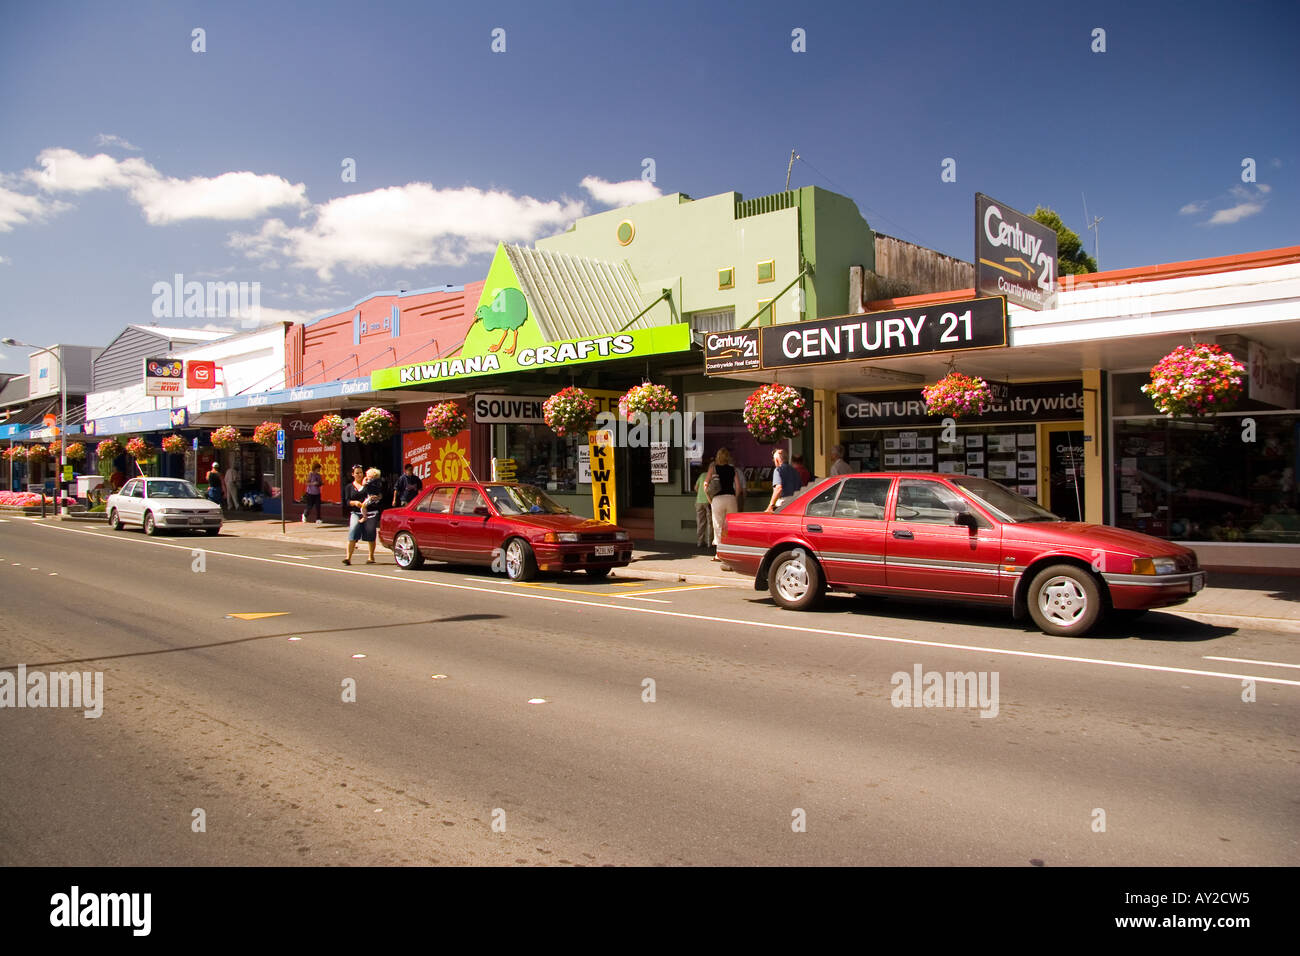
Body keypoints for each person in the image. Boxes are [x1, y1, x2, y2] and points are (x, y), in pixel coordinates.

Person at [706, 447, 744, 560]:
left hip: (717, 499)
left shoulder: (713, 468)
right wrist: (734, 497)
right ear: (728, 457)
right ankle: (731, 552)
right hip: (730, 498)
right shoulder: (733, 470)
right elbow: (738, 487)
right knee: (730, 526)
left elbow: (705, 485)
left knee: (718, 525)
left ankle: (719, 554)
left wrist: (710, 499)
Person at [344, 465, 382, 565]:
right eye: (357, 473)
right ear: (353, 474)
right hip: (356, 512)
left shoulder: (369, 483)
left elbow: (379, 494)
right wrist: (354, 503)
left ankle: (371, 556)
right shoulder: (349, 487)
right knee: (353, 531)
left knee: (370, 533)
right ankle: (348, 557)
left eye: (361, 472)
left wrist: (377, 497)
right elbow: (347, 501)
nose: (359, 474)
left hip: (371, 512)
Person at [766, 448, 801, 513]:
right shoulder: (794, 471)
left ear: (776, 460)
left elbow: (778, 488)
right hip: (795, 504)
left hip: (783, 505)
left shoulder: (778, 470)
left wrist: (771, 505)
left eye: (773, 460)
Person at [693, 458, 714, 551]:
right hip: (708, 501)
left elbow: (695, 488)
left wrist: (700, 493)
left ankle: (700, 542)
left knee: (700, 522)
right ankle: (710, 542)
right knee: (710, 522)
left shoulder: (702, 475)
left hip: (699, 501)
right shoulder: (713, 476)